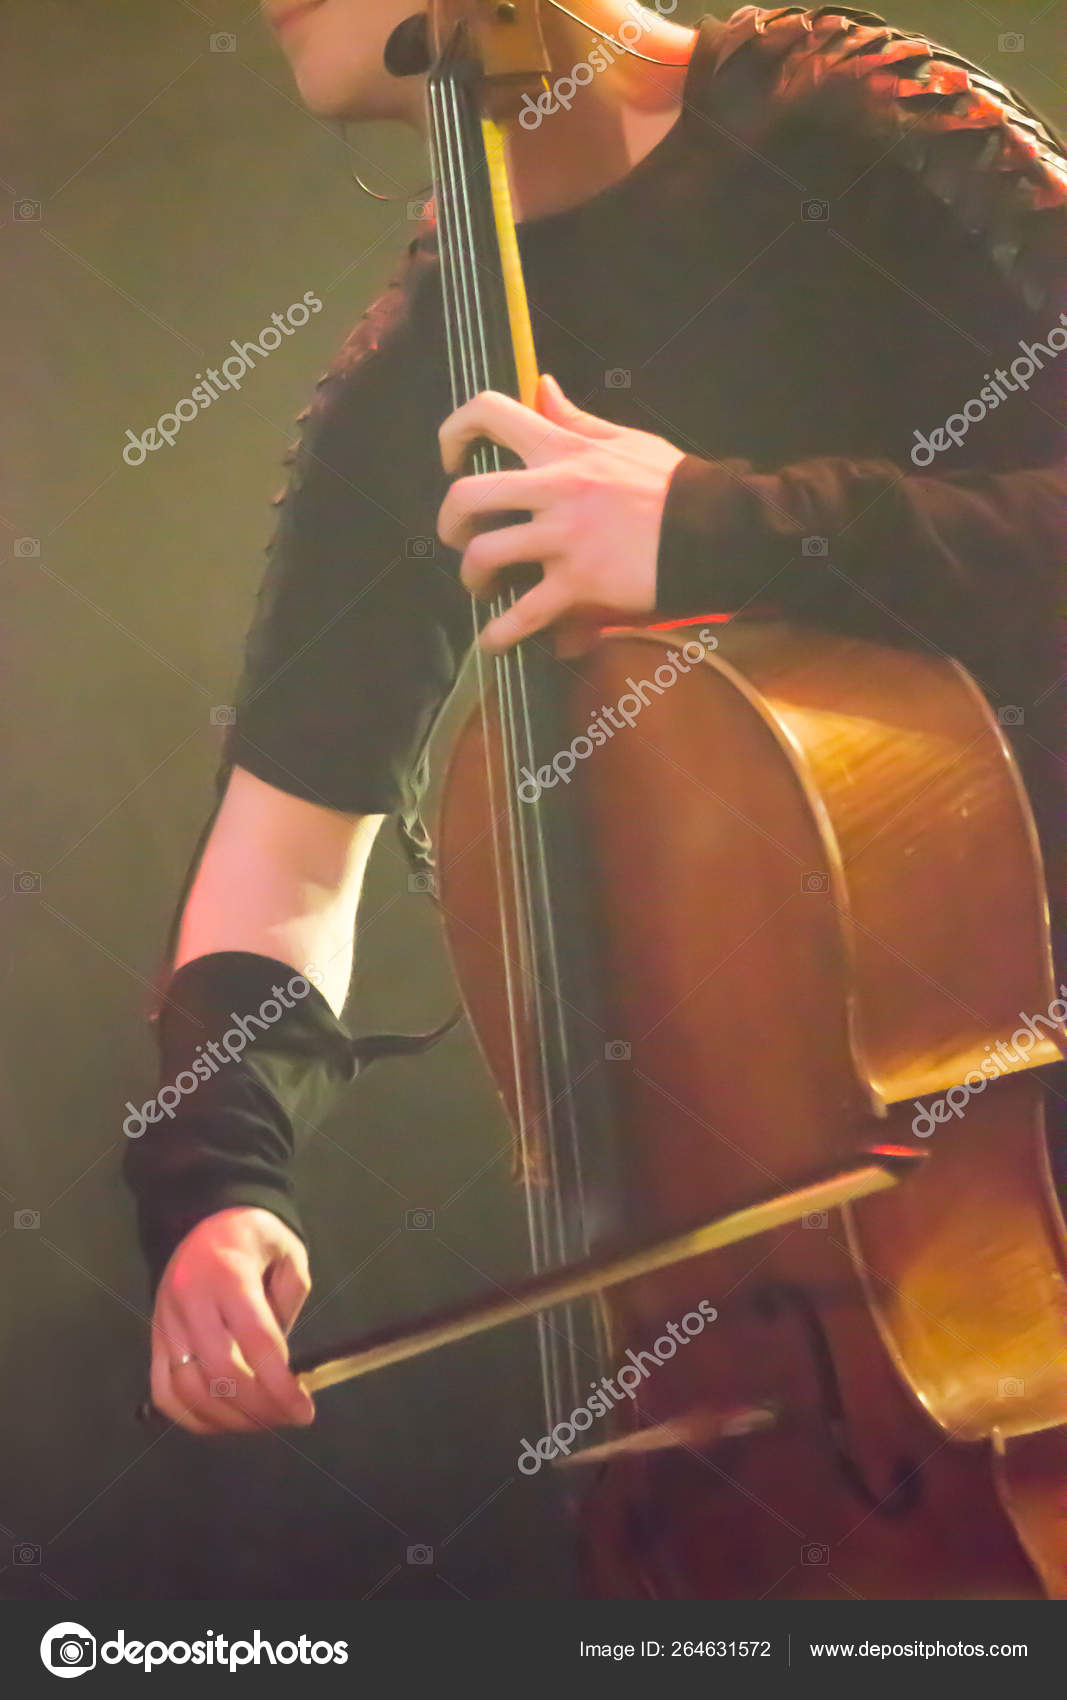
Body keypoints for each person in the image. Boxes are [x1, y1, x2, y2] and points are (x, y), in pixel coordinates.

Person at [124, 2, 1066, 1436]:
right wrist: (217, 1185)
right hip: (886, 1310)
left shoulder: (849, 121)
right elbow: (288, 844)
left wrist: (718, 526)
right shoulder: (425, 371)